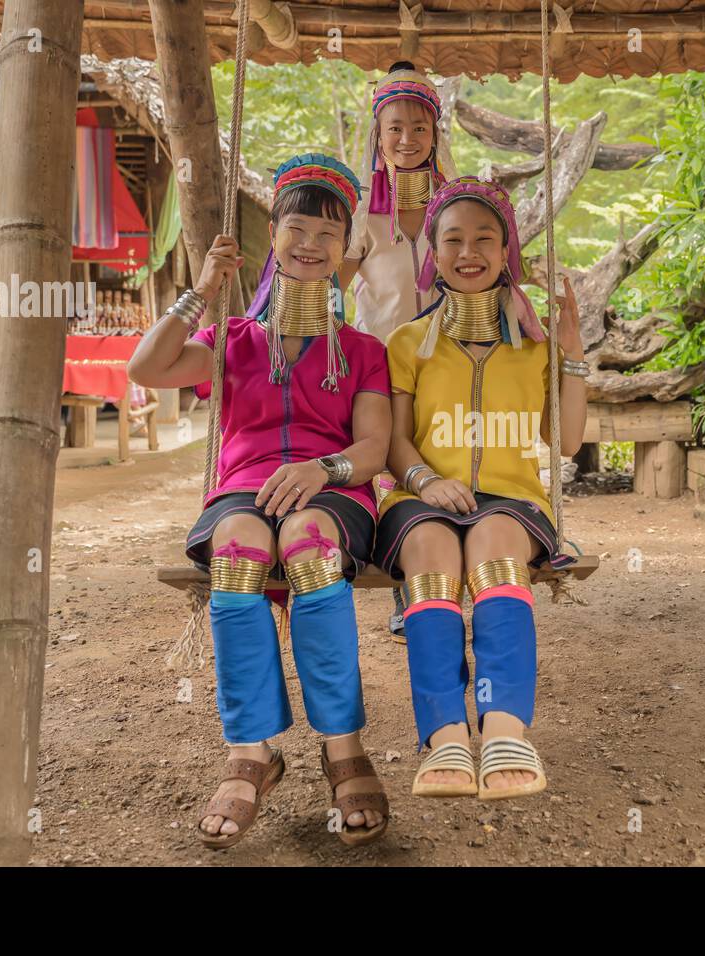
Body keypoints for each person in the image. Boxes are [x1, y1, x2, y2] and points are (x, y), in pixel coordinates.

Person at [127, 154, 392, 848]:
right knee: (239, 551)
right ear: (272, 235)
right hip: (242, 494)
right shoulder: (233, 341)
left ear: (345, 250)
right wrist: (201, 291)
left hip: (332, 493)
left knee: (308, 544)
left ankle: (343, 747)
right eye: (295, 228)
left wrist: (323, 469)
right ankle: (251, 752)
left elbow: (373, 447)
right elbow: (147, 368)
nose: (309, 244)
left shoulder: (362, 350)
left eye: (327, 234)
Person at [375, 176, 589, 800]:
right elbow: (394, 440)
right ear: (433, 254)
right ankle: (444, 735)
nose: (469, 252)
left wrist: (571, 352)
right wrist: (425, 481)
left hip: (511, 500)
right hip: (420, 497)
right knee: (432, 556)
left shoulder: (536, 347)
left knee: (495, 546)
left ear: (506, 253)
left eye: (484, 240)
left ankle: (503, 728)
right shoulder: (407, 342)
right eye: (453, 240)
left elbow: (568, 441)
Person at [338, 61, 459, 642]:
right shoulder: (359, 209)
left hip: (446, 364)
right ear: (377, 135)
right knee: (390, 465)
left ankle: (433, 581)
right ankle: (404, 581)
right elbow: (330, 289)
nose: (407, 140)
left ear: (435, 134)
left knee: (436, 463)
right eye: (395, 128)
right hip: (380, 366)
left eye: (419, 127)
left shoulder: (455, 205)